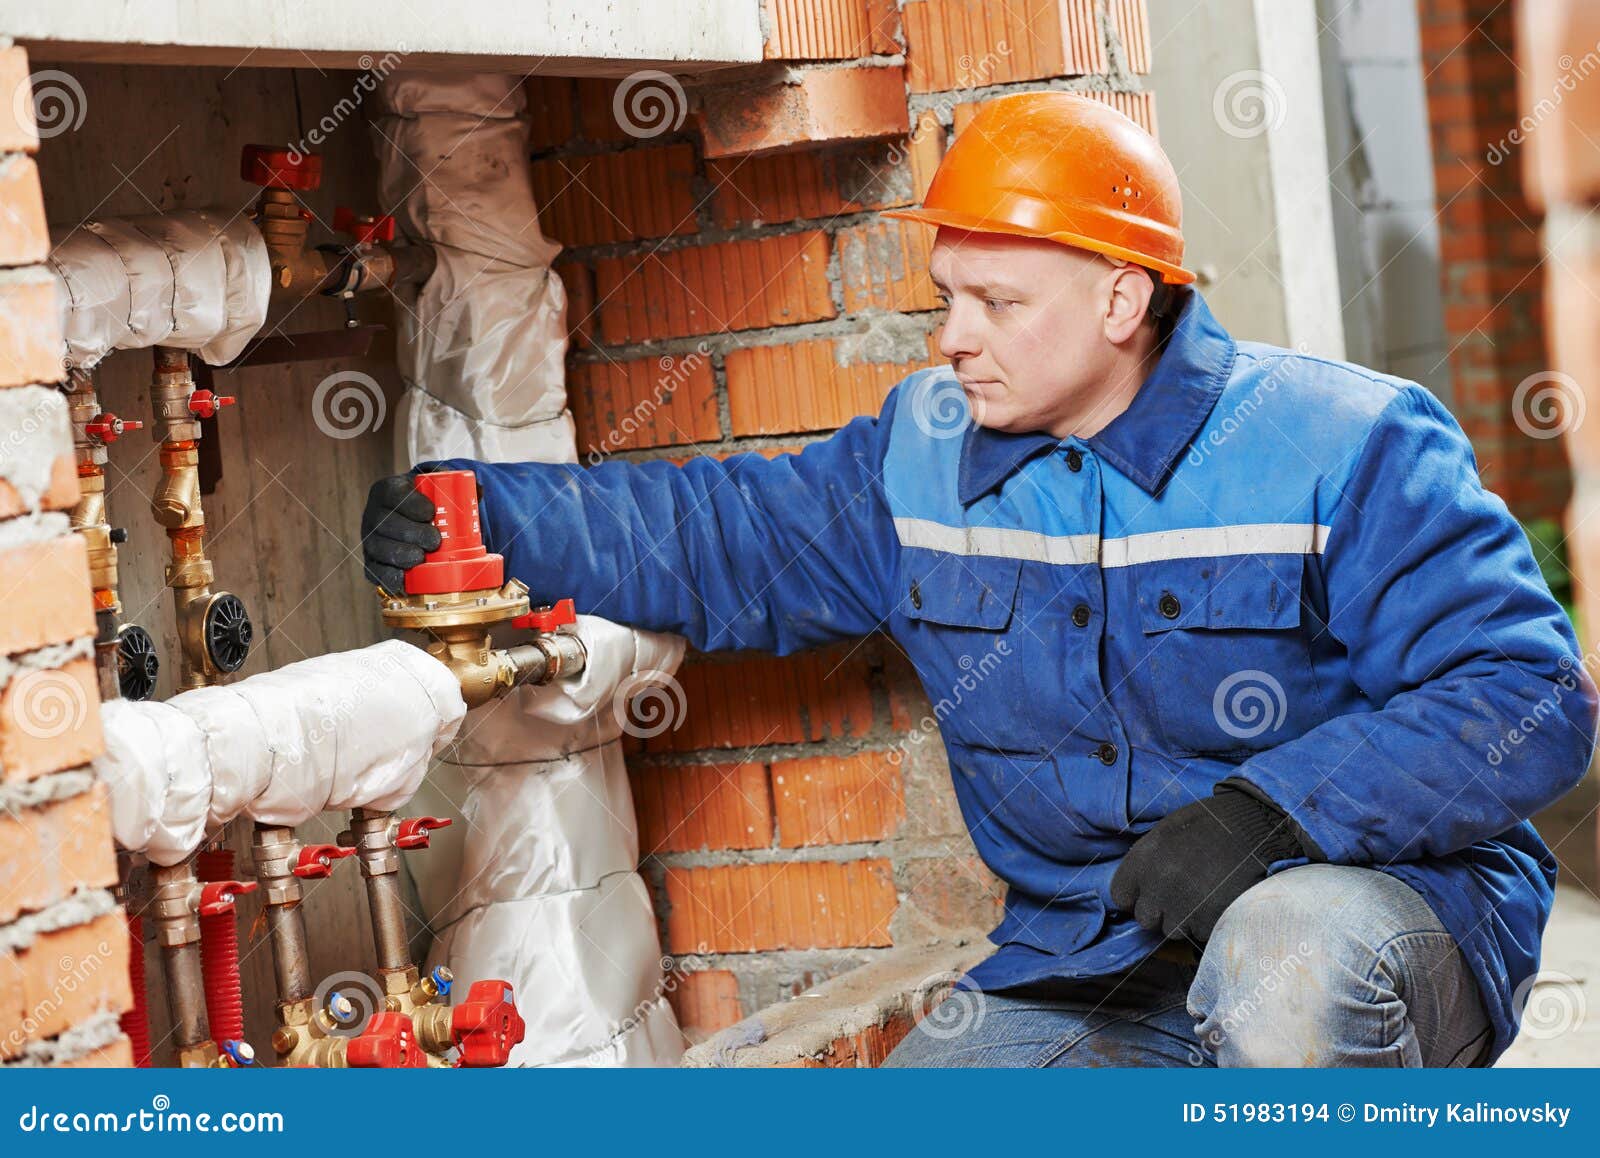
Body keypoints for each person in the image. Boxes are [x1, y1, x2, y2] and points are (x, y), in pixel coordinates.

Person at [362, 93, 1597, 1067]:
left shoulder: (1343, 443)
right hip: (1089, 960)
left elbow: (1527, 695)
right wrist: (480, 515)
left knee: (1285, 964)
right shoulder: (922, 456)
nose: (954, 335)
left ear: (1122, 297)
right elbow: (720, 531)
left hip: (1372, 921)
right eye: (948, 297)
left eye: (998, 303)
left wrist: (1278, 813)